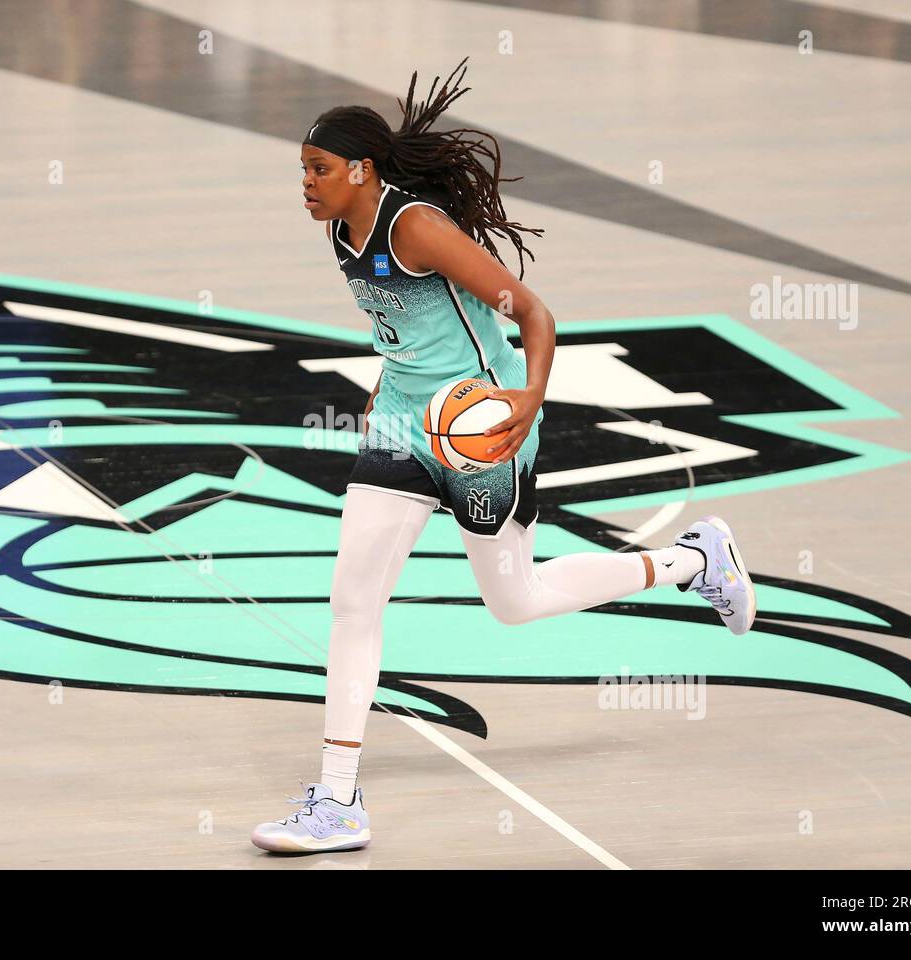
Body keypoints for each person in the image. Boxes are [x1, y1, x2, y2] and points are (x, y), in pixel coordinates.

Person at [251, 58, 755, 854]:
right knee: (353, 601)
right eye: (300, 171)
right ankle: (338, 802)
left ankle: (695, 564)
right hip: (403, 427)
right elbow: (406, 327)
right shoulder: (338, 229)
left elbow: (531, 311)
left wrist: (529, 400)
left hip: (483, 428)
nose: (304, 184)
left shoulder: (416, 227)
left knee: (514, 601)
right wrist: (390, 389)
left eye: (316, 170)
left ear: (361, 170)